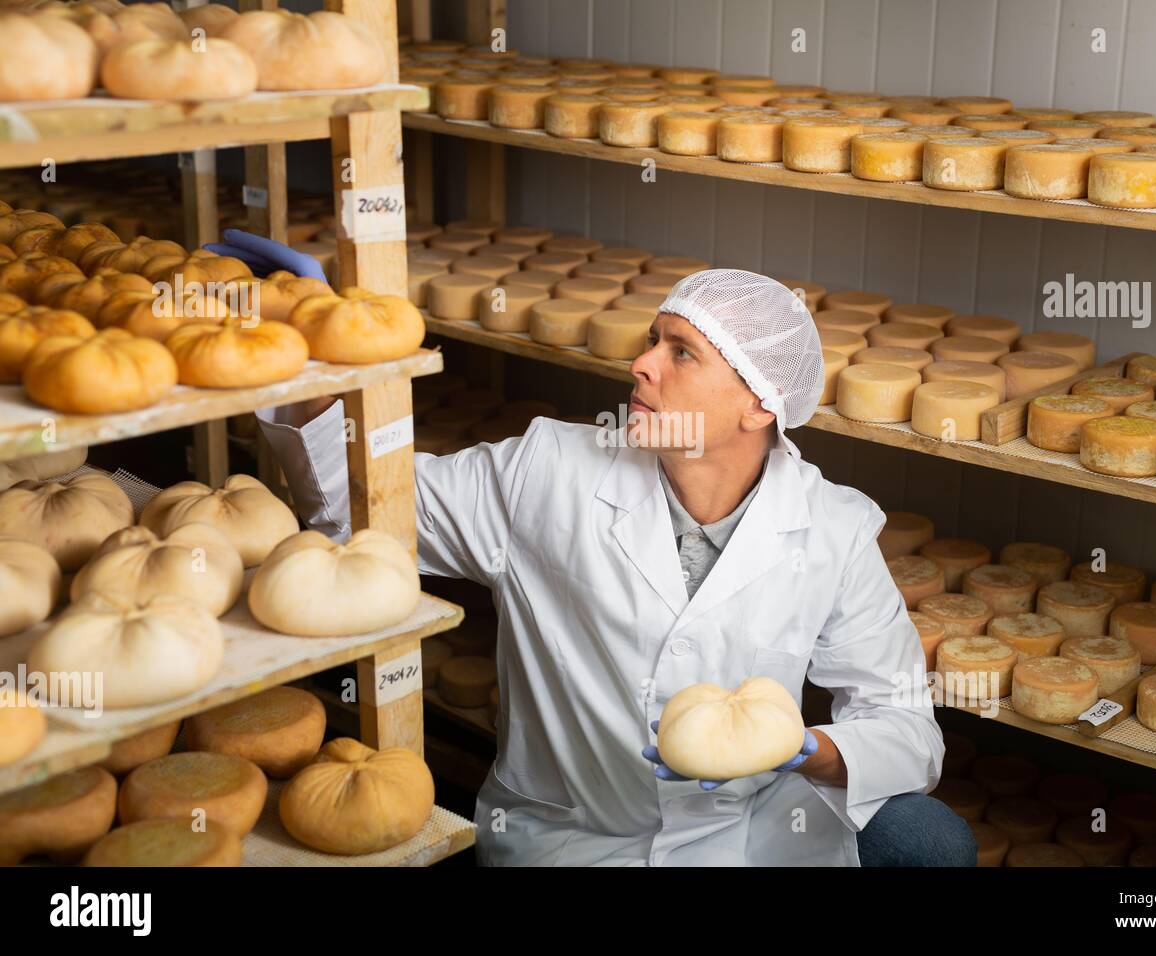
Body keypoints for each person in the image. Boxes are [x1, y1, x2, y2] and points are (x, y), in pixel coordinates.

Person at [221, 231, 975, 866]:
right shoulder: (548, 469)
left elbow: (906, 729)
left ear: (757, 404)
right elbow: (359, 515)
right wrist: (311, 368)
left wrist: (800, 749)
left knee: (928, 839)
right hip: (573, 836)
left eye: (682, 353)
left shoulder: (831, 527)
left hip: (745, 838)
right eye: (653, 340)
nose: (641, 364)